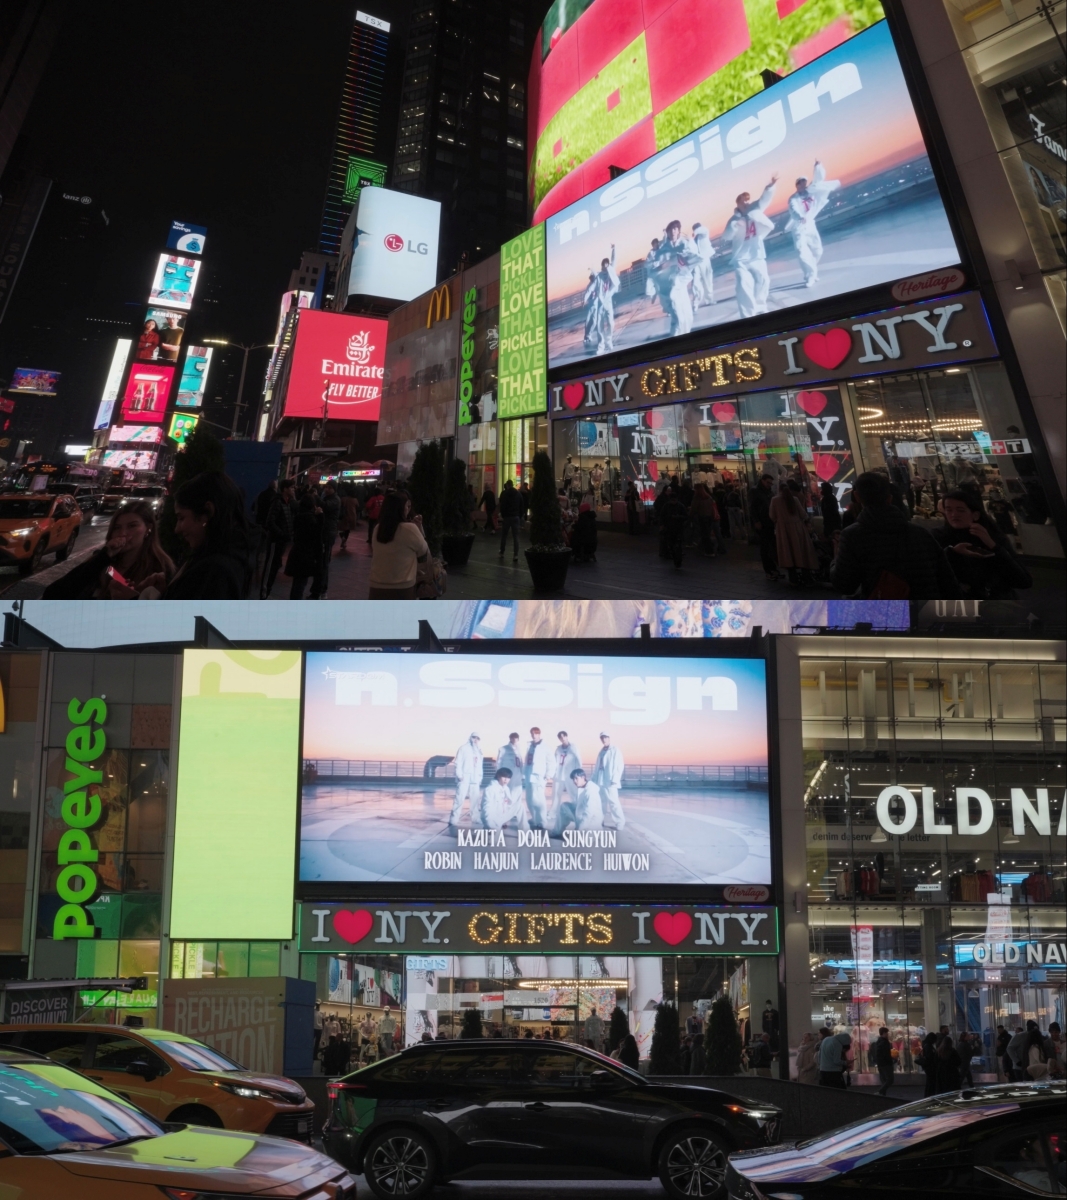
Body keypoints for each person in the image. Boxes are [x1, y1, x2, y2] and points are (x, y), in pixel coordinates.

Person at [831, 471, 961, 602]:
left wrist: (836, 558)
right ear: (889, 498)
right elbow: (948, 581)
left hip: (884, 613)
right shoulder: (921, 533)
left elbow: (844, 585)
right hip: (925, 612)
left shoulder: (852, 535)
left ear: (857, 496)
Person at [43, 500, 175, 599]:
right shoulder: (103, 560)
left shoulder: (160, 567)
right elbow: (53, 593)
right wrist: (103, 557)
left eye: (132, 526)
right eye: (117, 528)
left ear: (148, 529)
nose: (123, 533)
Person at [152, 472, 252, 599]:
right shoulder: (224, 556)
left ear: (208, 512)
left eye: (181, 518)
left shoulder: (215, 571)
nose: (177, 529)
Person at [933, 489, 1033, 599]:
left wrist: (993, 545)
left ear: (975, 515)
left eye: (960, 510)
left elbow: (1023, 581)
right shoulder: (937, 536)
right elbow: (930, 574)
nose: (953, 515)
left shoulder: (991, 535)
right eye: (948, 510)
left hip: (996, 603)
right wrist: (951, 553)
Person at [721, 176, 778, 317]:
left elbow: (764, 200)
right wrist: (735, 226)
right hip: (741, 259)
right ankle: (747, 315)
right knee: (744, 285)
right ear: (738, 204)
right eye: (743, 201)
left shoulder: (755, 211)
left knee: (764, 280)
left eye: (747, 199)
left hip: (756, 255)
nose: (746, 202)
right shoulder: (733, 220)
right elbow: (726, 236)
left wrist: (770, 187)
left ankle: (760, 306)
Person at [786, 162, 840, 287]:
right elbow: (793, 210)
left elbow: (818, 179)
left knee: (818, 251)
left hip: (810, 224)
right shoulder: (793, 198)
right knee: (802, 252)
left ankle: (811, 272)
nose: (804, 184)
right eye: (801, 182)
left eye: (805, 181)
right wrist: (800, 216)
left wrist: (817, 167)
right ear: (797, 185)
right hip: (798, 227)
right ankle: (811, 276)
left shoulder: (811, 191)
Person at [369, 491, 430, 599]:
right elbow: (424, 551)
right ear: (400, 508)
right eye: (407, 506)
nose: (408, 509)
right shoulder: (410, 529)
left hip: (376, 586)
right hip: (402, 587)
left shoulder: (378, 528)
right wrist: (420, 528)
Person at [769, 478, 819, 586]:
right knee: (802, 552)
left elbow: (772, 516)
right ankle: (807, 577)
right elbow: (803, 514)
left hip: (783, 530)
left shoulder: (775, 500)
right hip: (797, 528)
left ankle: (793, 578)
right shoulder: (794, 499)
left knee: (788, 553)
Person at [654, 221, 699, 336]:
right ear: (667, 232)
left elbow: (694, 256)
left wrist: (691, 242)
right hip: (671, 286)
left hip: (682, 285)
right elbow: (656, 268)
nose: (673, 231)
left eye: (675, 229)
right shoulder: (663, 250)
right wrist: (662, 267)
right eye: (670, 230)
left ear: (678, 230)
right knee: (678, 318)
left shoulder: (685, 243)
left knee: (688, 317)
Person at [261, 479, 296, 598]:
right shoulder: (277, 502)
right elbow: (270, 522)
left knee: (275, 566)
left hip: (282, 541)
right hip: (276, 541)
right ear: (285, 489)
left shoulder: (288, 502)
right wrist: (281, 533)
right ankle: (264, 593)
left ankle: (267, 592)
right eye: (291, 488)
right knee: (270, 567)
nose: (293, 490)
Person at [286, 494, 324, 600]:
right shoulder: (311, 519)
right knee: (301, 584)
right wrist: (320, 516)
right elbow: (317, 535)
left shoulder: (298, 516)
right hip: (306, 556)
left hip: (297, 552)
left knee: (297, 583)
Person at [592, 732, 625, 829]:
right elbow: (597, 766)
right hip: (600, 778)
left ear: (609, 738)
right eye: (602, 738)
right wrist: (594, 779)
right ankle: (600, 820)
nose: (603, 739)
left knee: (613, 802)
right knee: (601, 801)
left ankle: (620, 822)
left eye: (605, 737)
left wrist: (615, 778)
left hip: (610, 779)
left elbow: (619, 765)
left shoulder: (615, 750)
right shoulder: (601, 751)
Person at [450, 733, 483, 829]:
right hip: (465, 776)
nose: (475, 740)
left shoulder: (479, 750)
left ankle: (475, 818)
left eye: (477, 738)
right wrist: (459, 775)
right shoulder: (463, 748)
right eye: (474, 737)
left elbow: (480, 765)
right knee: (459, 798)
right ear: (470, 738)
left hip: (475, 777)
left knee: (475, 799)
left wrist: (480, 777)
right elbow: (458, 762)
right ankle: (454, 818)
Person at [750, 475, 779, 580]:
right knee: (765, 547)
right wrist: (756, 521)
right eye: (768, 482)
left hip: (769, 522)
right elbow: (752, 507)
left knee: (771, 547)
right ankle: (769, 571)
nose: (769, 485)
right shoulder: (756, 491)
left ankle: (773, 569)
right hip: (763, 522)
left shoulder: (768, 491)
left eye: (770, 483)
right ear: (762, 481)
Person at [523, 727, 553, 830]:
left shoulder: (545, 747)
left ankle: (542, 821)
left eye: (536, 733)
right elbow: (527, 761)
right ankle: (535, 819)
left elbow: (551, 761)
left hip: (539, 776)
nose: (533, 735)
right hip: (528, 775)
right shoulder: (529, 746)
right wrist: (524, 773)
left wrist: (548, 774)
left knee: (539, 800)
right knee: (529, 799)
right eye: (532, 733)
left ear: (539, 734)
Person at [592, 246, 620, 354]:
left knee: (611, 324)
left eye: (606, 265)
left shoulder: (611, 271)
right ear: (601, 266)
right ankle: (601, 346)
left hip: (608, 302)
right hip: (600, 303)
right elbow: (593, 286)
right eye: (603, 265)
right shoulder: (599, 276)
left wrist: (614, 249)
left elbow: (614, 259)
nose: (605, 267)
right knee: (599, 326)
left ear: (608, 265)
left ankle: (609, 341)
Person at [557, 767, 604, 831]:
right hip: (581, 817)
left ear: (583, 777)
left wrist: (579, 829)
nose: (574, 781)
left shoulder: (590, 791)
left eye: (576, 778)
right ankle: (557, 831)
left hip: (591, 822)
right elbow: (576, 804)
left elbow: (588, 813)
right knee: (564, 806)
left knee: (582, 840)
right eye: (573, 779)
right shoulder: (581, 788)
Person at [318, 482, 341, 596]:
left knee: (324, 561)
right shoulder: (327, 497)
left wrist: (315, 498)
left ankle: (323, 589)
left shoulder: (335, 500)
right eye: (326, 487)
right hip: (325, 531)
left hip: (328, 532)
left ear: (334, 490)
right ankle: (319, 588)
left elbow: (325, 506)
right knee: (322, 561)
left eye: (330, 488)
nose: (327, 489)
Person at [553, 731, 582, 819]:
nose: (562, 739)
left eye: (563, 737)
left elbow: (579, 760)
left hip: (570, 774)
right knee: (556, 794)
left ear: (566, 736)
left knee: (573, 793)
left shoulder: (573, 747)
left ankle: (577, 811)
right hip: (559, 774)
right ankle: (554, 813)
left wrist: (578, 773)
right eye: (560, 738)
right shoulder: (558, 749)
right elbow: (554, 761)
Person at [659, 484, 689, 568]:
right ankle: (677, 559)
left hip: (675, 528)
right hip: (673, 528)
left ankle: (677, 559)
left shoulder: (669, 506)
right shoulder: (677, 506)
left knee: (675, 544)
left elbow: (662, 516)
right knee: (673, 544)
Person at [690, 476, 719, 557]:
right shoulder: (708, 497)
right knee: (707, 534)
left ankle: (708, 550)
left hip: (702, 517)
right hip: (709, 517)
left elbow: (694, 508)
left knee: (704, 534)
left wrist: (690, 515)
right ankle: (708, 549)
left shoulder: (697, 498)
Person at [690, 222, 715, 306]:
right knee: (696, 282)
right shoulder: (694, 240)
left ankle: (709, 300)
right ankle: (696, 301)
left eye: (696, 228)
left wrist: (696, 231)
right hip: (697, 262)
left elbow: (704, 229)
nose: (695, 230)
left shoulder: (704, 234)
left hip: (705, 260)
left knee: (708, 281)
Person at [498, 478, 522, 562]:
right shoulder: (518, 494)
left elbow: (502, 505)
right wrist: (519, 515)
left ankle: (502, 552)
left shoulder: (505, 494)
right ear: (512, 485)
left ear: (507, 485)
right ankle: (515, 555)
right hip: (515, 516)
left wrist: (503, 515)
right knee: (516, 536)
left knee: (504, 535)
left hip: (507, 517)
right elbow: (521, 505)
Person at [873, 1025, 894, 1095]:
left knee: (884, 1080)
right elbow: (886, 1054)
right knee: (890, 1079)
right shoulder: (884, 1042)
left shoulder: (878, 1042)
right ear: (884, 1033)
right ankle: (880, 1092)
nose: (888, 1034)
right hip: (885, 1063)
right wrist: (891, 1060)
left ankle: (882, 1094)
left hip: (880, 1063)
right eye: (887, 1033)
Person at [920, 1031, 939, 1096]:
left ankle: (928, 1094)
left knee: (930, 1082)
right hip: (930, 1067)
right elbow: (930, 1056)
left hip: (929, 1067)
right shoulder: (928, 1046)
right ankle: (929, 1095)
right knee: (930, 1082)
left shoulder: (927, 1045)